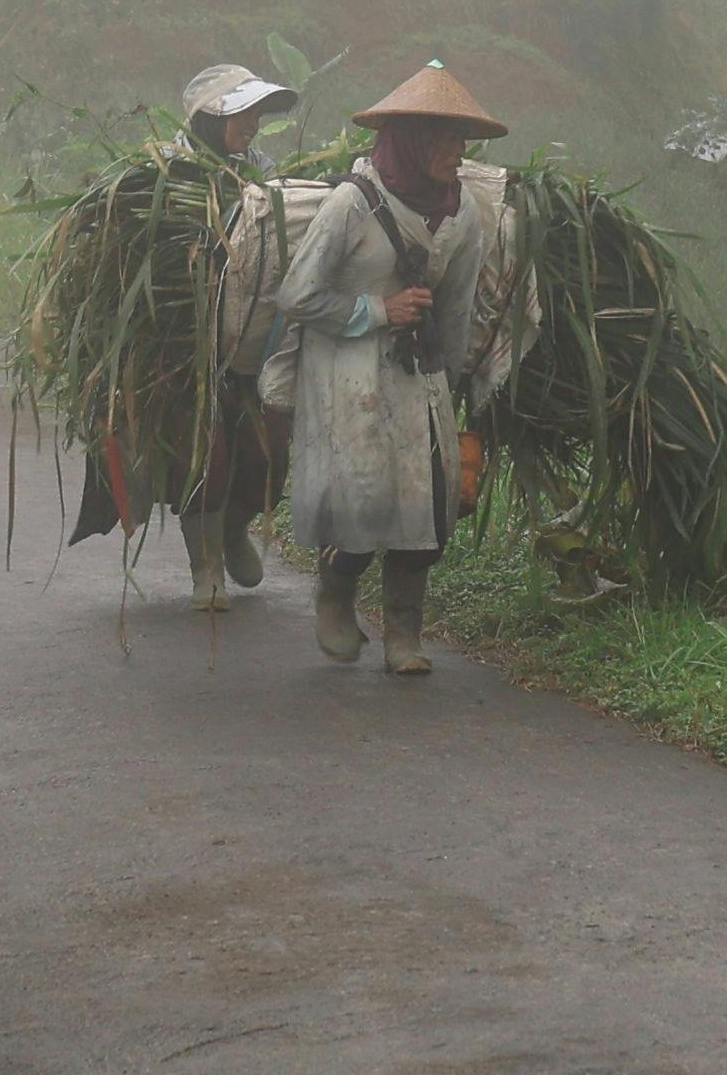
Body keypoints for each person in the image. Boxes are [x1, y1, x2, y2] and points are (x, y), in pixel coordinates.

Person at [256, 59, 520, 674]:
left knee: (429, 503)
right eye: (449, 139)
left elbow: (455, 307)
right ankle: (335, 596)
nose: (460, 152)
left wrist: (451, 388)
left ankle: (405, 633)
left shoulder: (462, 214)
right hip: (346, 371)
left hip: (418, 374)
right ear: (414, 138)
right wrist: (378, 309)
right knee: (361, 499)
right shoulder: (353, 203)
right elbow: (297, 295)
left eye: (463, 140)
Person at [174, 63, 296, 605]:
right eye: (240, 113)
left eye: (255, 113)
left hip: (255, 340)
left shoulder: (264, 170)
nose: (252, 123)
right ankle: (205, 568)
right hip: (186, 348)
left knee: (269, 458)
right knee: (207, 457)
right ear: (207, 120)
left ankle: (232, 530)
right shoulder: (166, 172)